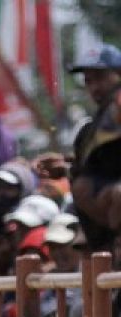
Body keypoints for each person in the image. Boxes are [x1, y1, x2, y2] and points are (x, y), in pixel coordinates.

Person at [68, 44, 121, 254]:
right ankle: (110, 246)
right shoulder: (90, 130)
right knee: (82, 186)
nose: (94, 87)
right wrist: (64, 165)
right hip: (107, 233)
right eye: (89, 81)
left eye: (100, 77)